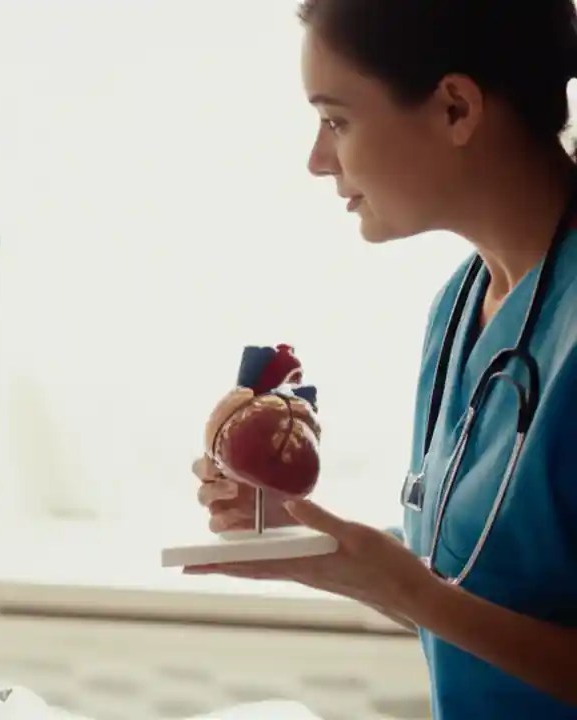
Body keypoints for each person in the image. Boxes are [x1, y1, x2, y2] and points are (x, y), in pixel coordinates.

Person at [190, 1, 577, 717]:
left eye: (336, 120)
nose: (315, 159)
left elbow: (434, 594)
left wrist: (402, 587)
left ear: (456, 108)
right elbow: (474, 591)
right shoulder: (460, 308)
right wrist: (316, 544)